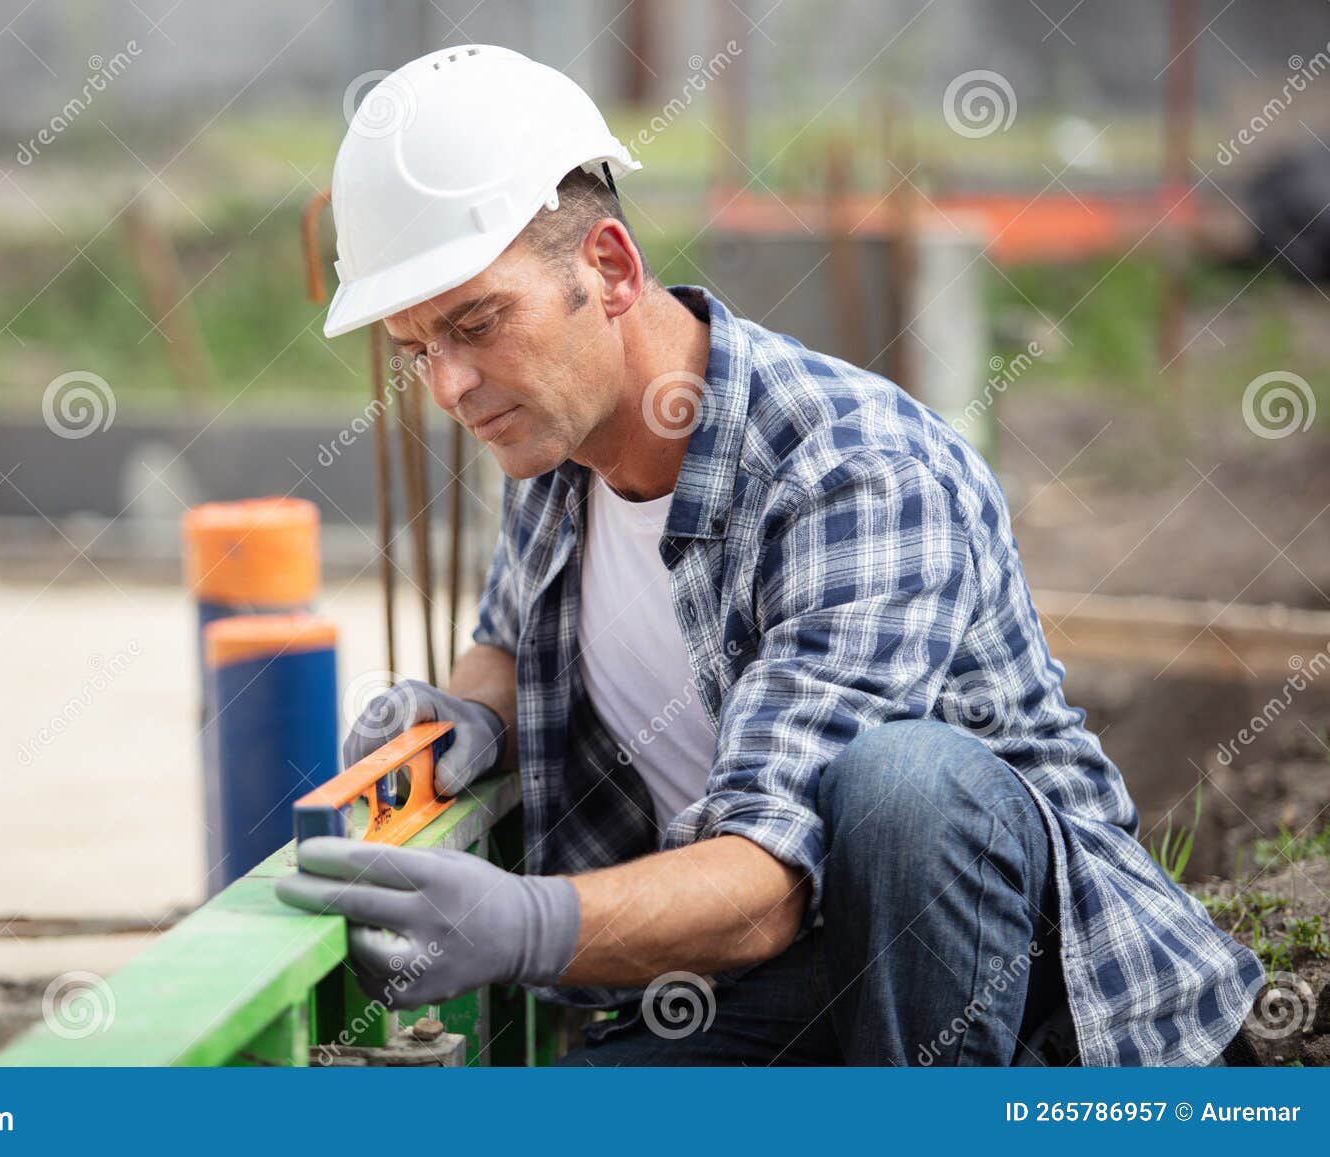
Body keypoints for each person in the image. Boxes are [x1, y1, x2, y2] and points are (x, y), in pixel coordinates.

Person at [276, 44, 1263, 1066]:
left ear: (608, 268)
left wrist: (525, 921)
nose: (448, 383)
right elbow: (504, 634)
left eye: (476, 324)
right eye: (417, 347)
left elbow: (763, 881)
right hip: (780, 987)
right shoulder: (553, 446)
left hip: (1038, 1012)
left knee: (905, 784)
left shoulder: (851, 474)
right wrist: (464, 712)